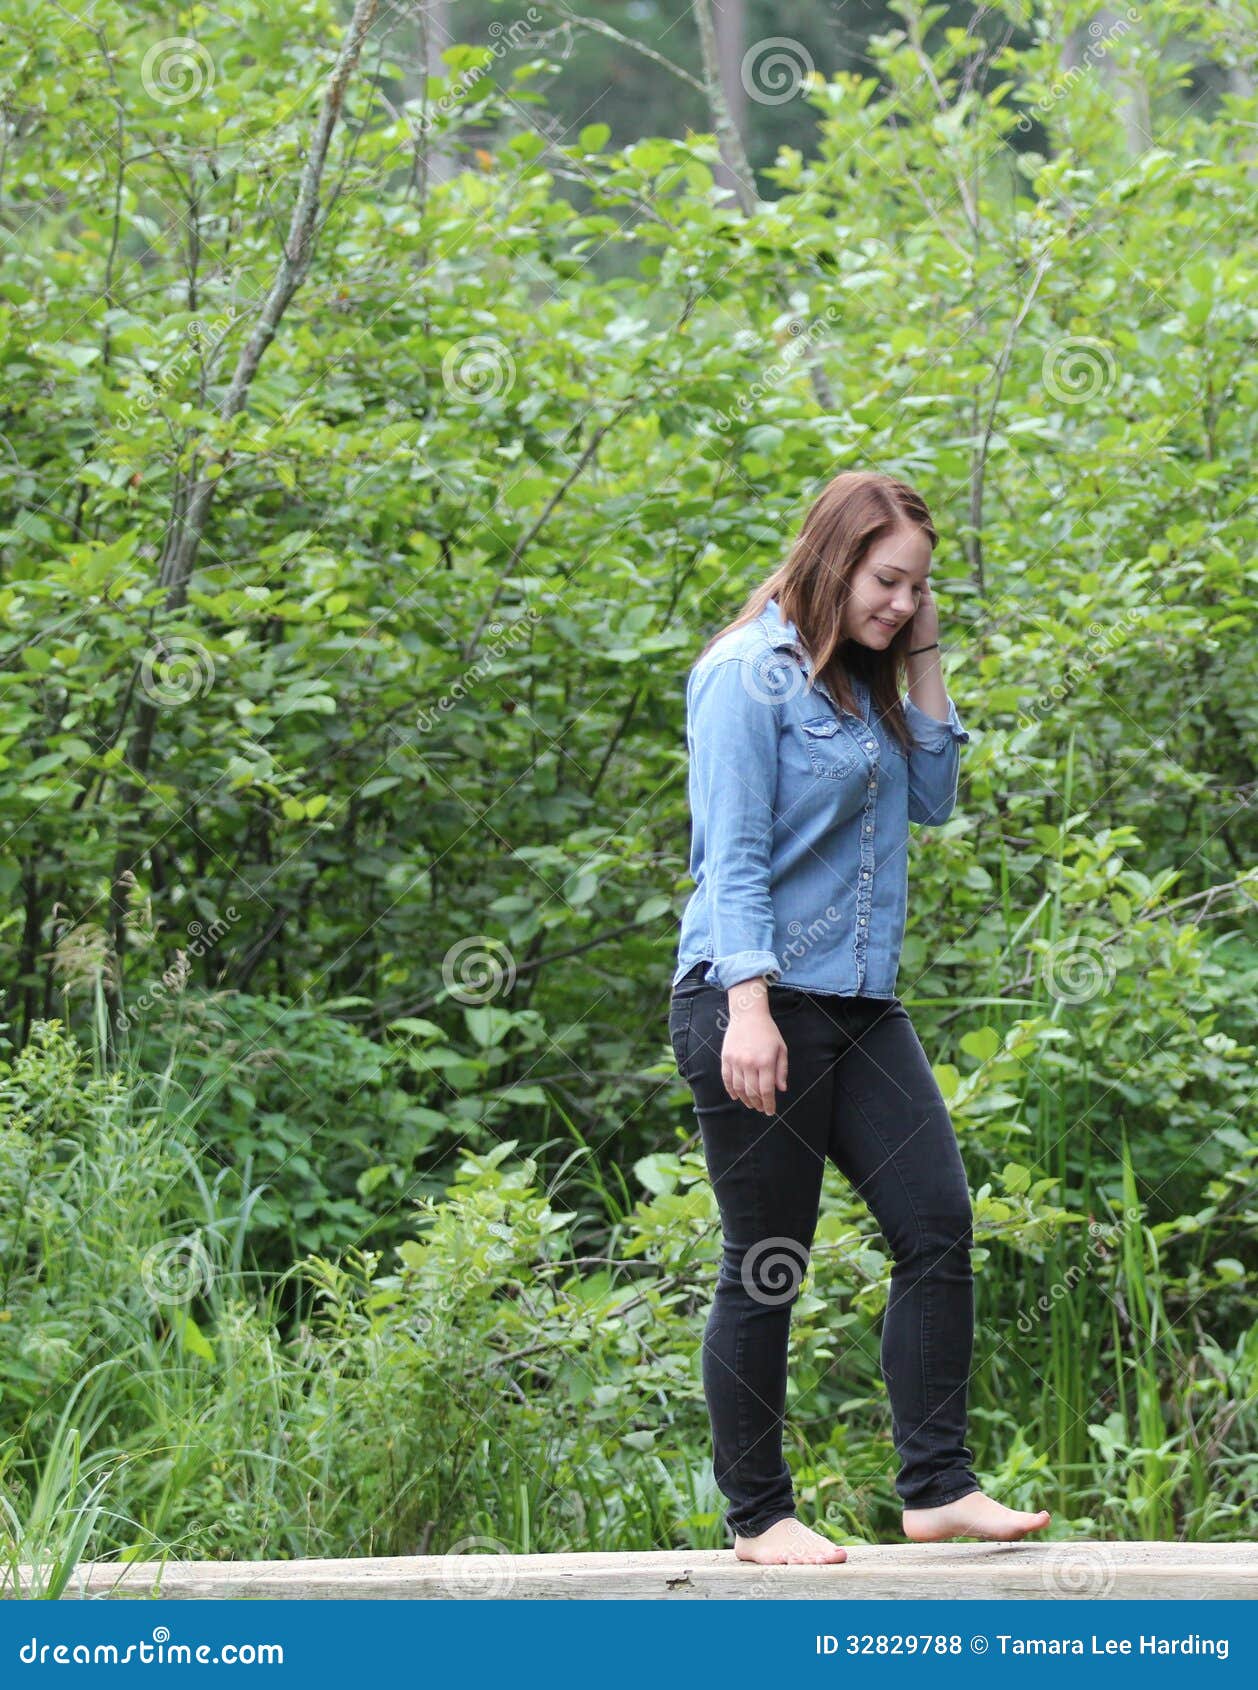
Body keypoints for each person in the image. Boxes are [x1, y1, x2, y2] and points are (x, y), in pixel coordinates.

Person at [667, 470, 1051, 1567]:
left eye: (917, 586)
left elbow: (932, 797)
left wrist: (919, 650)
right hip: (751, 1000)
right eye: (887, 580)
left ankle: (934, 1487)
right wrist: (747, 1008)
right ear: (834, 557)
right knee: (768, 1255)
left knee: (936, 1223)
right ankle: (758, 1517)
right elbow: (730, 855)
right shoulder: (747, 675)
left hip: (859, 1006)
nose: (899, 601)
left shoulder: (868, 679)